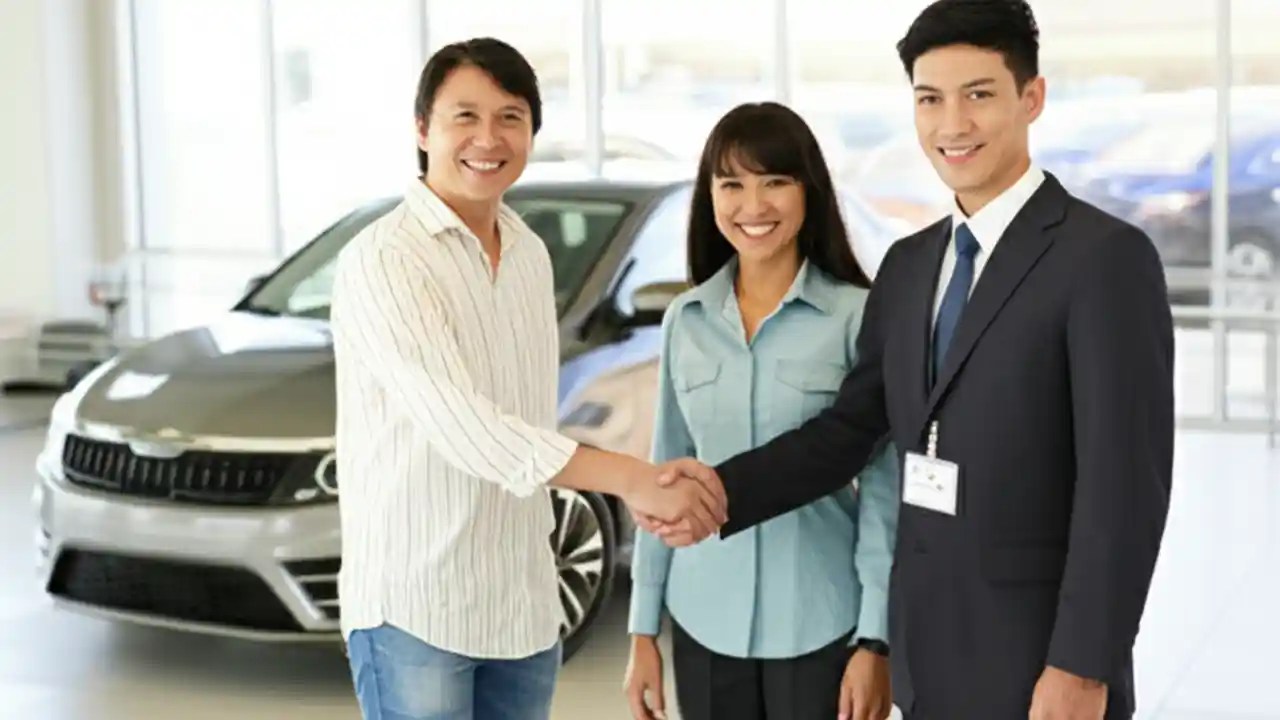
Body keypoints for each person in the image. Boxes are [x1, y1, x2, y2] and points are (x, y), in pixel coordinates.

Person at [645, 2, 1175, 719]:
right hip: (928, 648)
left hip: (1039, 656)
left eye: (978, 95)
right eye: (930, 99)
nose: (951, 124)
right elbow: (849, 432)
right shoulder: (909, 264)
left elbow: (1124, 489)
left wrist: (1083, 663)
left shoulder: (1102, 259)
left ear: (1032, 98)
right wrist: (718, 492)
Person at [329, 38, 724, 720]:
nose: (489, 138)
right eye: (465, 117)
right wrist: (629, 476)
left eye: (510, 117)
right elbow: (466, 427)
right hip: (416, 606)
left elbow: (526, 421)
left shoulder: (529, 253)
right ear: (422, 129)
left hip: (521, 602)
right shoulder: (384, 259)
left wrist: (624, 484)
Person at [621, 102, 900, 720]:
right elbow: (665, 471)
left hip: (823, 621)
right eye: (733, 185)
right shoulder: (685, 321)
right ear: (710, 197)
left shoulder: (859, 317)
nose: (754, 206)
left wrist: (875, 638)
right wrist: (643, 631)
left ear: (809, 192)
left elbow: (884, 489)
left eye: (775, 181)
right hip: (703, 618)